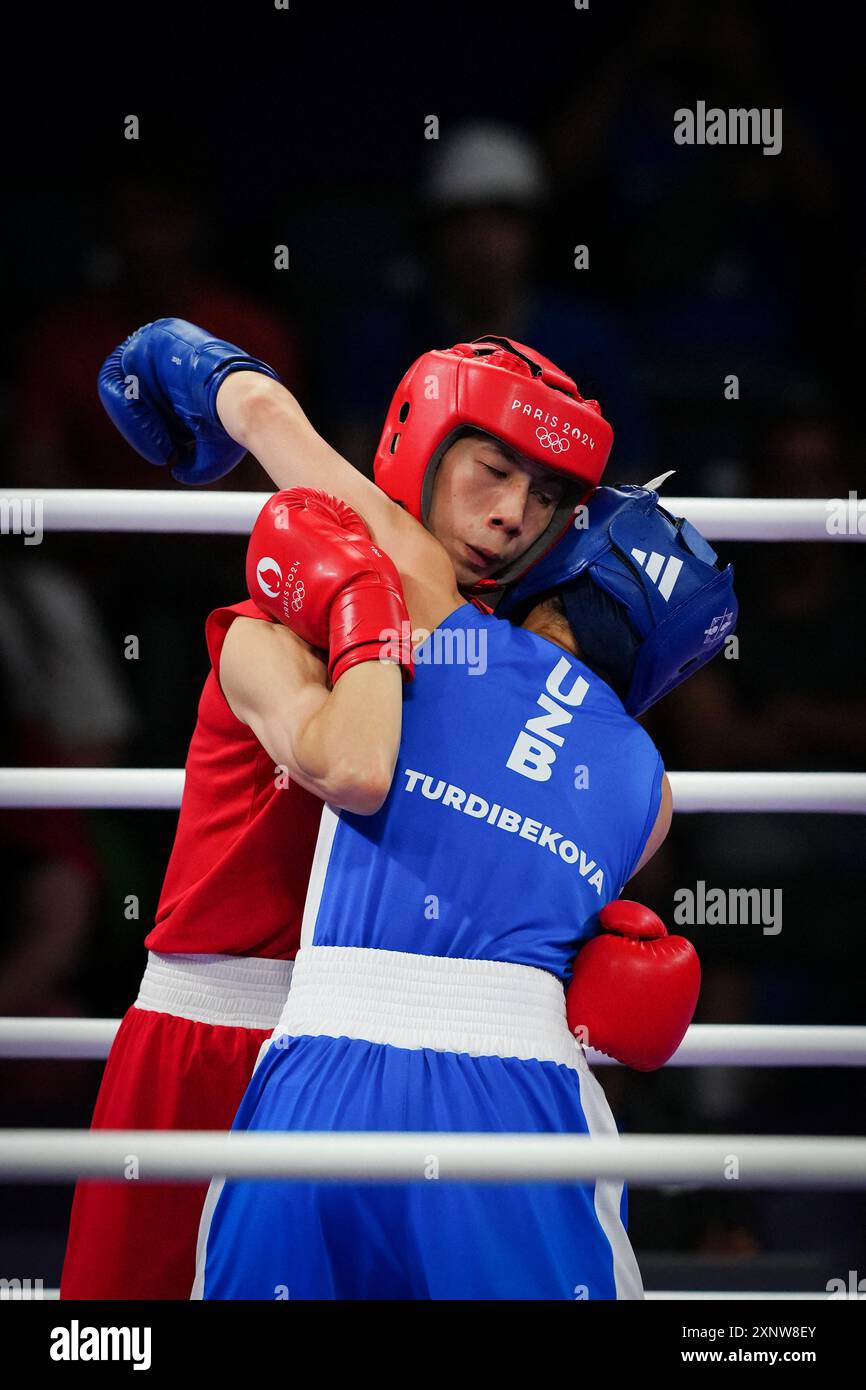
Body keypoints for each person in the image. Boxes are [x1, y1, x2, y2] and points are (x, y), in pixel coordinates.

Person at [61, 321, 616, 1299]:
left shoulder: (496, 666)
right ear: (428, 443)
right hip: (214, 1035)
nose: (511, 515)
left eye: (544, 496)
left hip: (379, 1061)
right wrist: (252, 402)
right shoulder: (275, 628)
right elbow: (392, 578)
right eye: (490, 470)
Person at [193, 475, 735, 1300]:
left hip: (323, 1071)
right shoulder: (650, 790)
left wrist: (211, 378)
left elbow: (291, 443)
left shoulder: (432, 623)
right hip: (519, 1091)